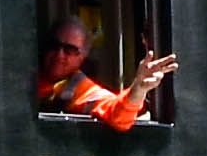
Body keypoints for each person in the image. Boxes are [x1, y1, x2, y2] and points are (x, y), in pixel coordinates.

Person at [34, 12, 174, 129]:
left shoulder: (85, 91)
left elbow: (118, 116)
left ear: (83, 56)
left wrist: (138, 90)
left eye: (70, 50)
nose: (59, 55)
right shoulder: (25, 78)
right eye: (54, 45)